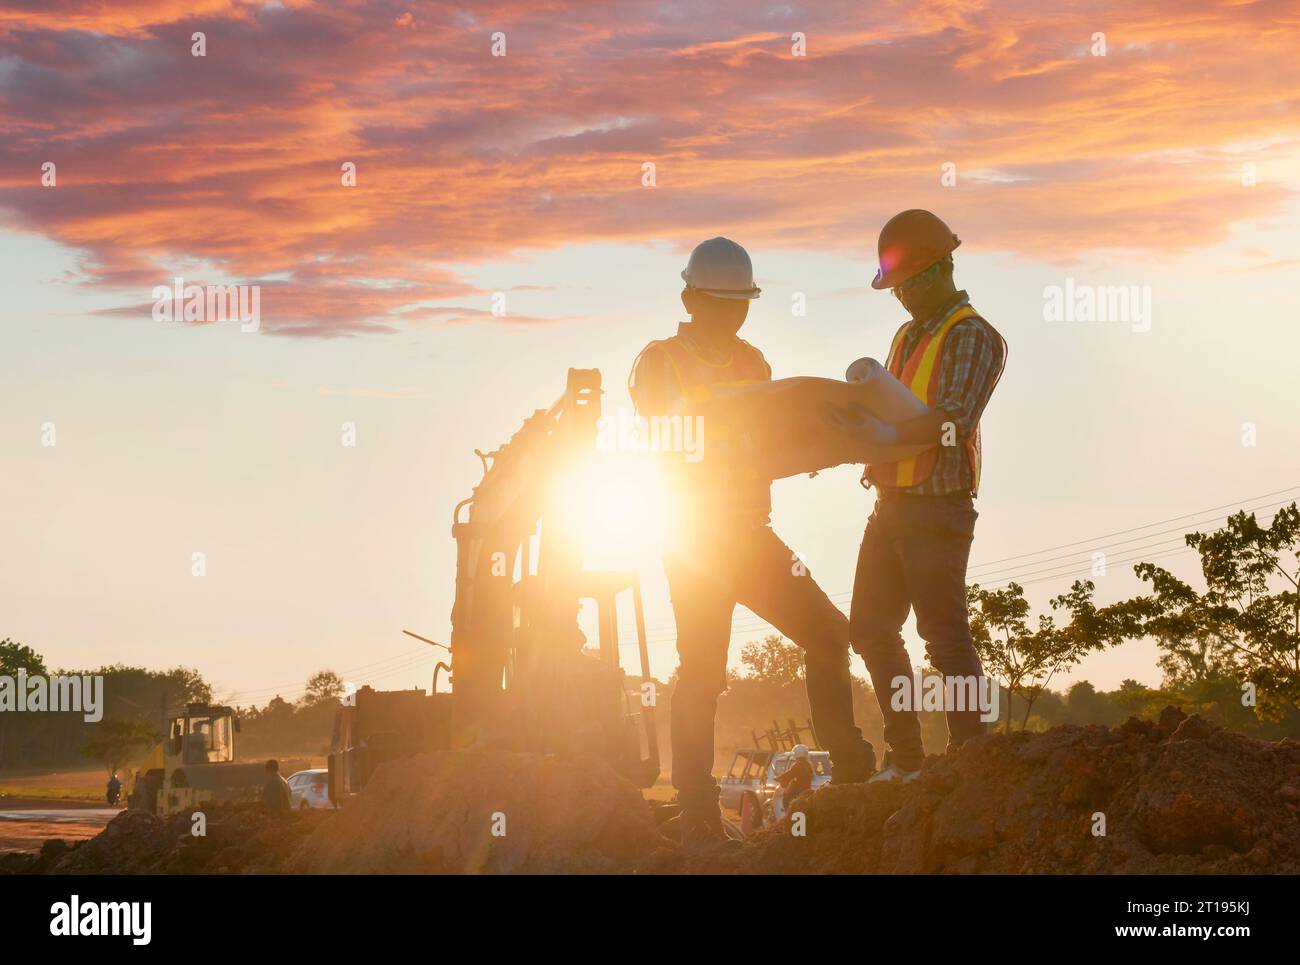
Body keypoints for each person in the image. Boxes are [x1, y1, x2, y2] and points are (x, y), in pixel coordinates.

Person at [630, 237, 877, 849]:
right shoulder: (659, 361)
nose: (731, 316)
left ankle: (850, 775)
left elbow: (765, 447)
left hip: (750, 534)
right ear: (689, 299)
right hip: (694, 539)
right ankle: (696, 810)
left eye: (740, 305)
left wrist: (828, 441)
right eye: (719, 303)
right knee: (704, 672)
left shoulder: (754, 362)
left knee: (828, 634)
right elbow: (678, 431)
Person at [829, 210, 1007, 783]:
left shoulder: (974, 336)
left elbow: (950, 421)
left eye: (908, 283)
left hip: (938, 508)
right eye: (896, 287)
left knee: (944, 638)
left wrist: (877, 436)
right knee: (871, 630)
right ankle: (906, 759)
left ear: (940, 269)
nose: (901, 297)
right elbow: (895, 408)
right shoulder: (907, 335)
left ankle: (971, 765)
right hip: (891, 505)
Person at [773, 743, 814, 813]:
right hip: (807, 787)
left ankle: (788, 813)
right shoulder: (808, 764)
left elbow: (789, 774)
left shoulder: (798, 764)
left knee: (786, 797)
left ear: (797, 754)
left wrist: (778, 778)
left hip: (799, 789)